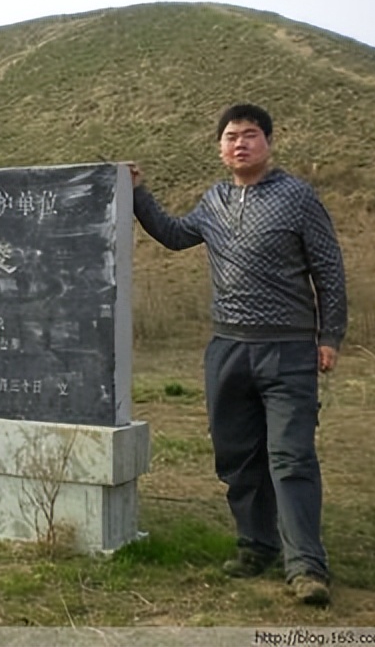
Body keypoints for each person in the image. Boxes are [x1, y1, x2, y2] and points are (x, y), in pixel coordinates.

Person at [129, 103, 347, 607]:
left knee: (291, 457)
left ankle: (307, 567)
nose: (240, 143)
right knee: (237, 456)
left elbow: (329, 269)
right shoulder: (215, 200)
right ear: (220, 148)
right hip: (227, 348)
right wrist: (139, 192)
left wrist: (330, 334)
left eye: (250, 135)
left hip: (288, 348)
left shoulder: (297, 198)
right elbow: (174, 234)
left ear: (268, 143)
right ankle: (256, 545)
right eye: (231, 137)